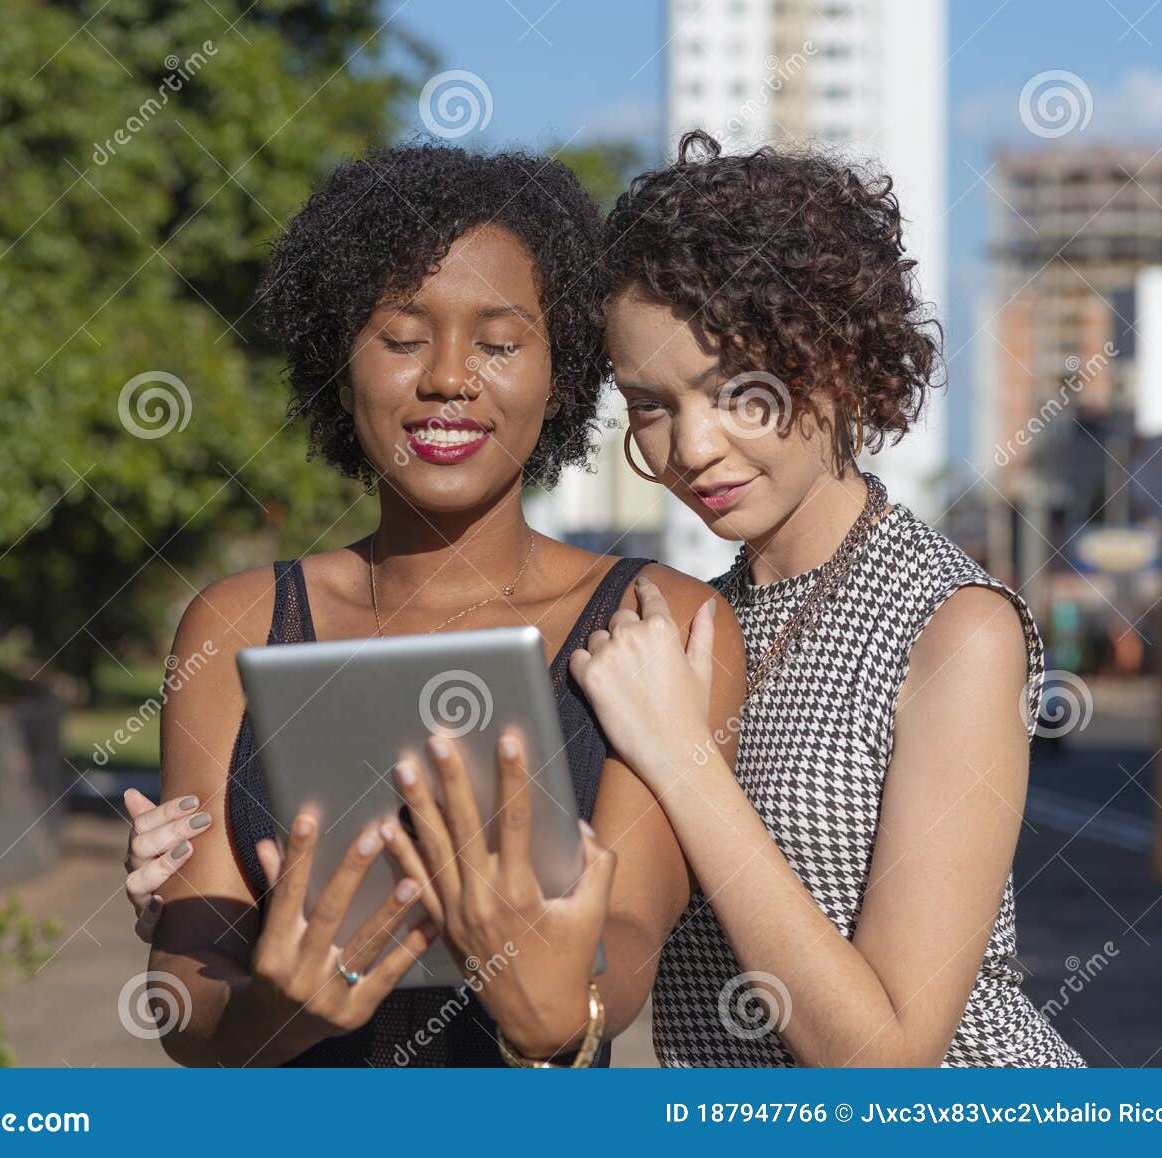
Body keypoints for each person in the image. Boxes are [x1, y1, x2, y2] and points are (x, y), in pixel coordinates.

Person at [130, 131, 1085, 1067]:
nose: (694, 446)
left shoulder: (953, 626)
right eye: (652, 406)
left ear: (841, 360)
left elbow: (886, 1062)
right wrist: (214, 924)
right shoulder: (694, 616)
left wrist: (678, 761)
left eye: (739, 393)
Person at [133, 141, 736, 1068]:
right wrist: (281, 1012)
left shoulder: (660, 618)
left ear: (561, 374)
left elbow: (626, 939)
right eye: (403, 338)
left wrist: (553, 1005)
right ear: (340, 365)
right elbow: (185, 997)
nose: (449, 378)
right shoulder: (237, 621)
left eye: (498, 344)